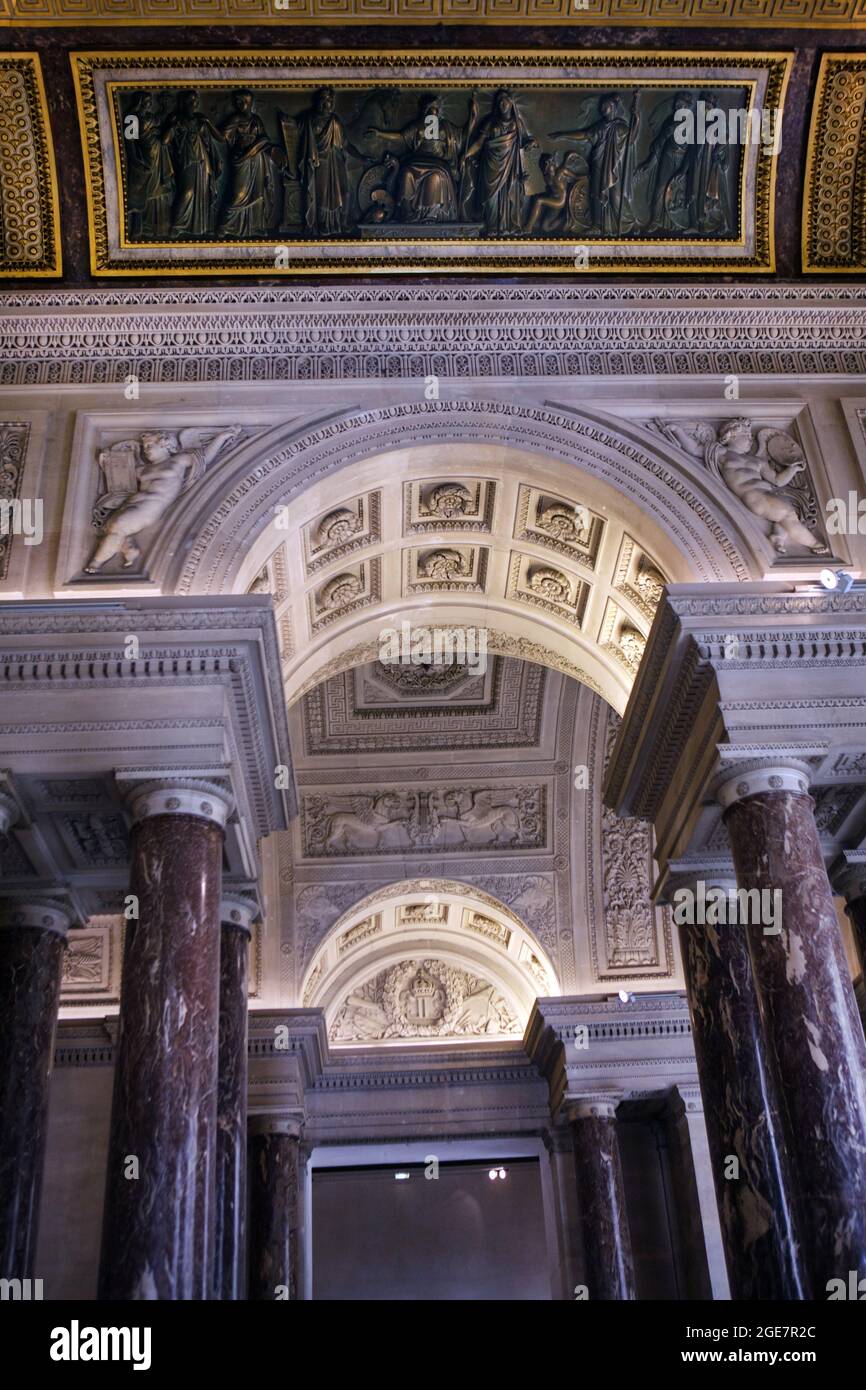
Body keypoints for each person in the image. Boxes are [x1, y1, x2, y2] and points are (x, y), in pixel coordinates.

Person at [366, 93, 475, 223]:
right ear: (425, 111)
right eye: (429, 109)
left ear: (438, 112)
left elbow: (463, 135)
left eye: (434, 109)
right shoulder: (418, 127)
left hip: (438, 165)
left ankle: (431, 215)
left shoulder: (446, 128)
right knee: (406, 173)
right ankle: (407, 213)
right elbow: (401, 137)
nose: (432, 112)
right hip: (415, 162)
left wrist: (473, 117)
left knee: (435, 177)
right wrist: (380, 134)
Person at [464, 88, 537, 234]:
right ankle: (491, 228)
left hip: (510, 167)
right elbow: (479, 143)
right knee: (491, 199)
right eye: (500, 101)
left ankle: (507, 228)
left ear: (511, 103)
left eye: (506, 100)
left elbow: (524, 142)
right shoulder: (490, 122)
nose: (503, 103)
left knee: (508, 196)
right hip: (490, 167)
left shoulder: (517, 123)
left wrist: (533, 142)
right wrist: (465, 155)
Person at [217, 89, 283, 237]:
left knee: (257, 194)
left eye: (244, 102)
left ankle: (255, 227)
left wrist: (272, 150)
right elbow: (222, 137)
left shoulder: (256, 120)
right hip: (241, 160)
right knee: (237, 195)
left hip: (257, 161)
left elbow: (264, 139)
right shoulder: (235, 119)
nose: (240, 105)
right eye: (238, 102)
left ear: (250, 103)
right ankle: (226, 226)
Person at [163, 91, 224, 239]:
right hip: (185, 161)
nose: (194, 104)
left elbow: (220, 139)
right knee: (187, 192)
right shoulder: (177, 119)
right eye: (191, 101)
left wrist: (208, 122)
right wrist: (173, 127)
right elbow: (165, 141)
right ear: (184, 103)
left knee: (203, 193)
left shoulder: (201, 120)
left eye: (196, 102)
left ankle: (201, 228)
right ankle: (177, 225)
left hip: (203, 161)